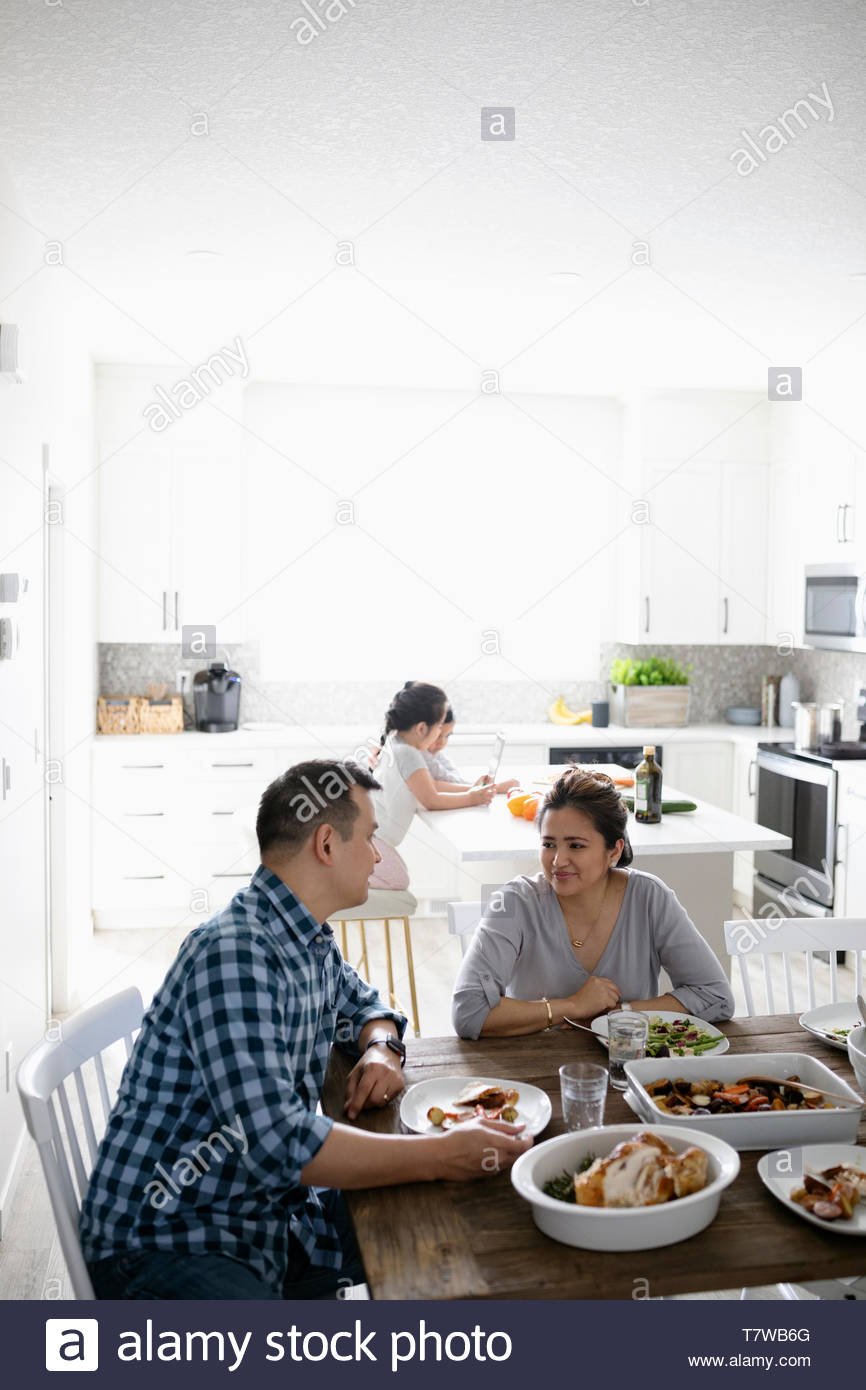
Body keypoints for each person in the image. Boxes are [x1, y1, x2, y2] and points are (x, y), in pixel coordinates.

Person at [79, 759, 531, 1300]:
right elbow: (279, 1143)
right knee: (435, 1182)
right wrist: (438, 1156)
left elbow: (362, 1004)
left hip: (265, 1214)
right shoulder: (233, 954)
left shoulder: (303, 936)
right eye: (369, 838)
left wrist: (383, 1046)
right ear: (326, 844)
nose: (377, 855)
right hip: (170, 1238)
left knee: (463, 1212)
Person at [451, 766, 734, 1039]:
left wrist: (612, 1016)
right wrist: (573, 1006)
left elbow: (715, 995)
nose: (558, 861)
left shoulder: (649, 897)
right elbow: (469, 1012)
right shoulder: (513, 901)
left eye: (576, 845)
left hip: (627, 1070)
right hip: (531, 1073)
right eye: (549, 844)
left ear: (614, 850)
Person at [368, 682, 495, 892]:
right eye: (438, 727)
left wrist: (472, 790)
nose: (439, 733)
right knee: (399, 880)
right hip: (375, 839)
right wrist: (473, 798)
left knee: (399, 876)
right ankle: (341, 879)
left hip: (374, 836)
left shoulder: (395, 742)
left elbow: (430, 786)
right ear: (421, 728)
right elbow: (431, 799)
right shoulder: (407, 753)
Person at [424, 707, 519, 796]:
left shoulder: (435, 754)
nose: (442, 742)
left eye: (447, 736)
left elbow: (453, 779)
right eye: (438, 736)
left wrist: (480, 786)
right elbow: (436, 786)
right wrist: (493, 788)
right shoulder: (422, 755)